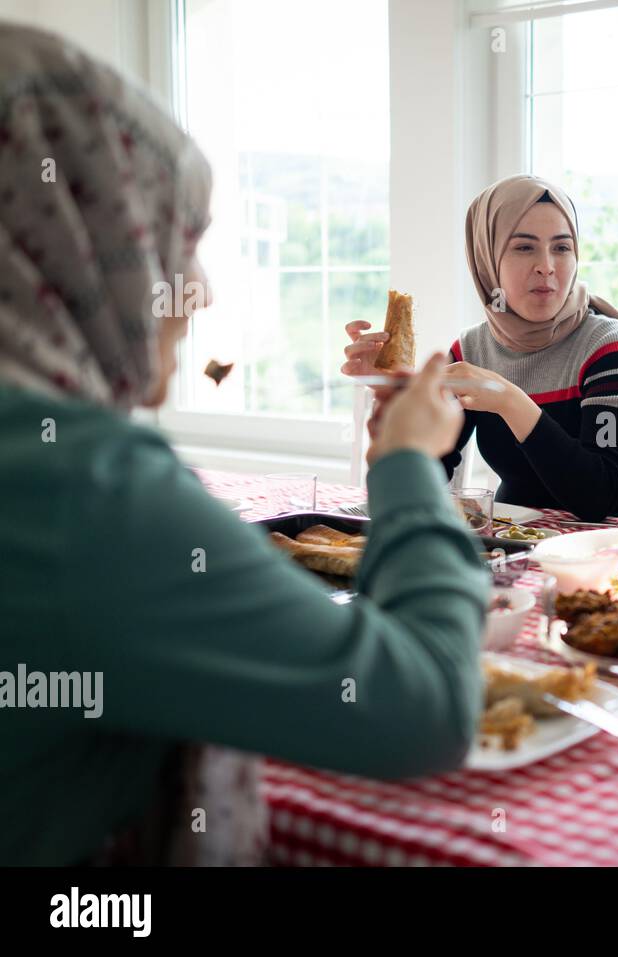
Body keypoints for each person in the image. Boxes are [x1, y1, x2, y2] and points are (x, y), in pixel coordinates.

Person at [0, 24, 487, 865]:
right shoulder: (82, 491)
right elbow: (428, 705)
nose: (202, 291)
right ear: (79, 243)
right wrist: (406, 467)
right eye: (175, 242)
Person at [343, 176, 618, 520]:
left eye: (561, 247)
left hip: (607, 556)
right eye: (524, 247)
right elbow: (423, 480)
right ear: (487, 260)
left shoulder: (609, 346)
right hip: (510, 544)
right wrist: (391, 396)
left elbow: (604, 499)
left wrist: (509, 401)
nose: (546, 266)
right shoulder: (471, 350)